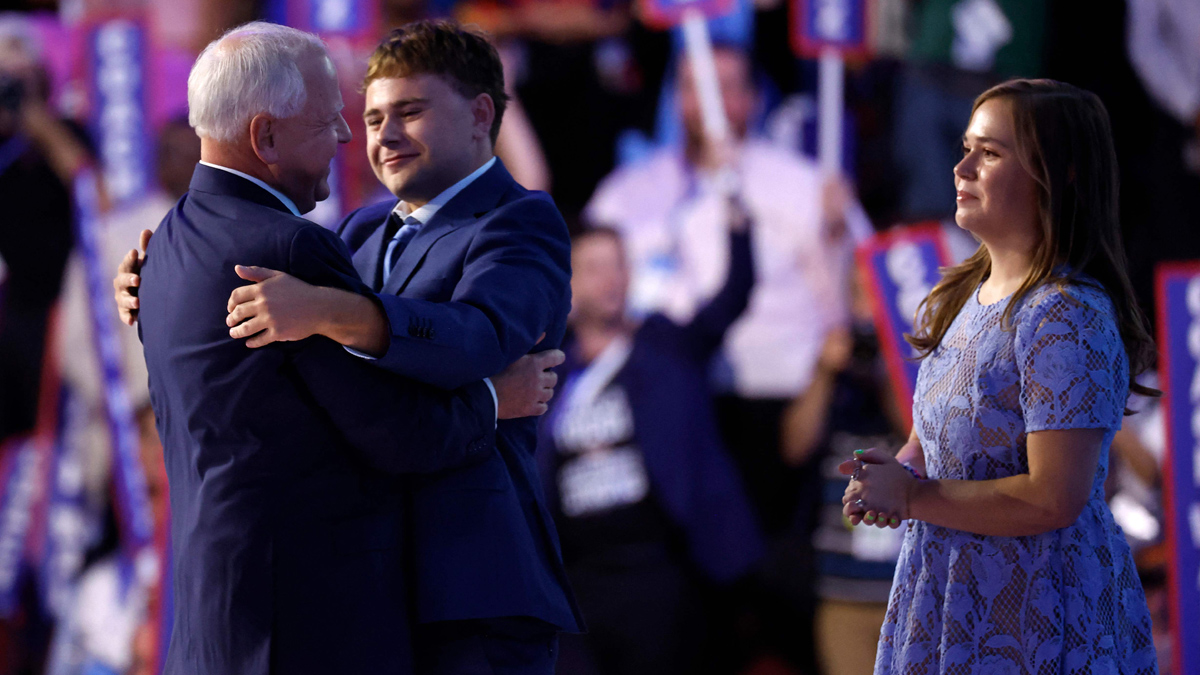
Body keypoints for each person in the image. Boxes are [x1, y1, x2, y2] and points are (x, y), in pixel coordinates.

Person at [117, 20, 581, 675]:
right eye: (369, 117)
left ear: (481, 115)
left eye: (409, 111)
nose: (375, 135)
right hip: (368, 599)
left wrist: (340, 312)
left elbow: (477, 339)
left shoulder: (520, 220)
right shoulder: (348, 233)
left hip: (473, 591)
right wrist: (150, 280)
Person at [842, 79, 1158, 674]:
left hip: (1039, 613)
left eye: (989, 152)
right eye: (966, 147)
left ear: (1058, 173)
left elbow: (1053, 498)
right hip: (949, 589)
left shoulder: (1064, 313)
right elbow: (933, 441)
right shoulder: (960, 294)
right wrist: (893, 473)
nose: (961, 167)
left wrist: (912, 497)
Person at [541, 218, 763, 675]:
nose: (612, 279)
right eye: (595, 267)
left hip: (660, 576)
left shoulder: (664, 344)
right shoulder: (549, 374)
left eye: (619, 264)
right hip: (579, 586)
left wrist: (736, 218)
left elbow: (733, 295)